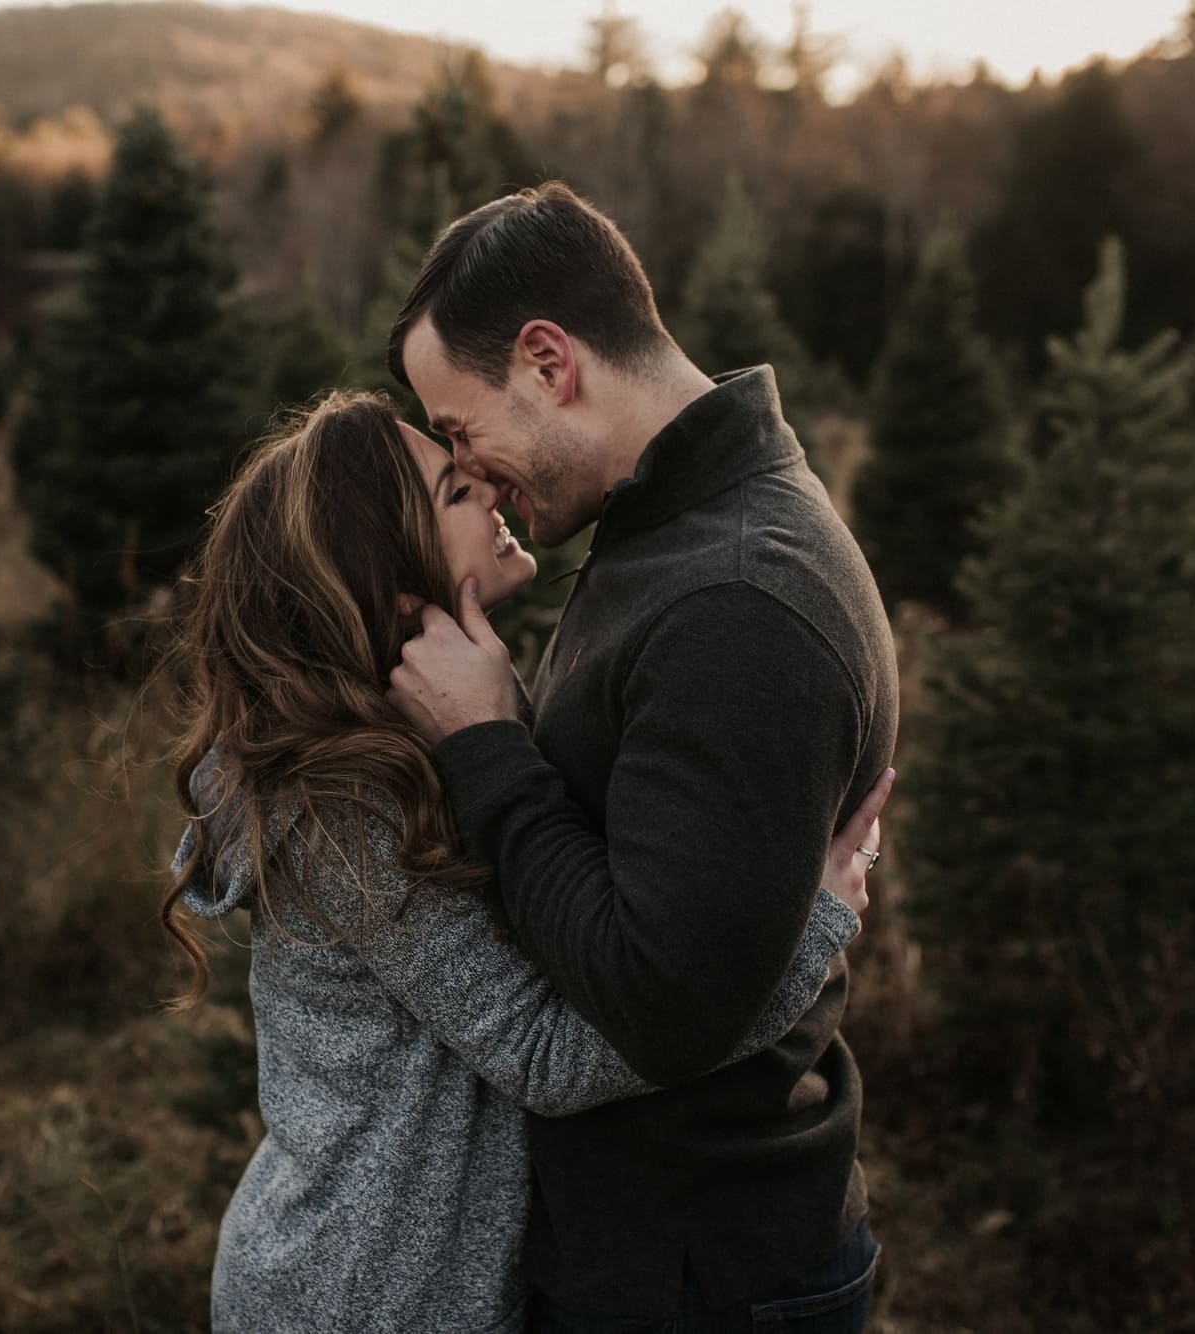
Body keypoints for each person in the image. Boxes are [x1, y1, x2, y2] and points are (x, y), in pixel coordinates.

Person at [163, 392, 894, 1332]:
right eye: (455, 491)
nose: (491, 486)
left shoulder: (418, 743)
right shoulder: (349, 818)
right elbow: (545, 1057)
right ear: (393, 581)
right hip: (363, 1295)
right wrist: (806, 937)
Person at [384, 182, 900, 1331]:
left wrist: (483, 744)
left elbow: (654, 1002)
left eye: (460, 429)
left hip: (694, 1272)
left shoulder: (734, 600)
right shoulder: (667, 530)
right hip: (654, 1252)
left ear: (546, 360)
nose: (467, 470)